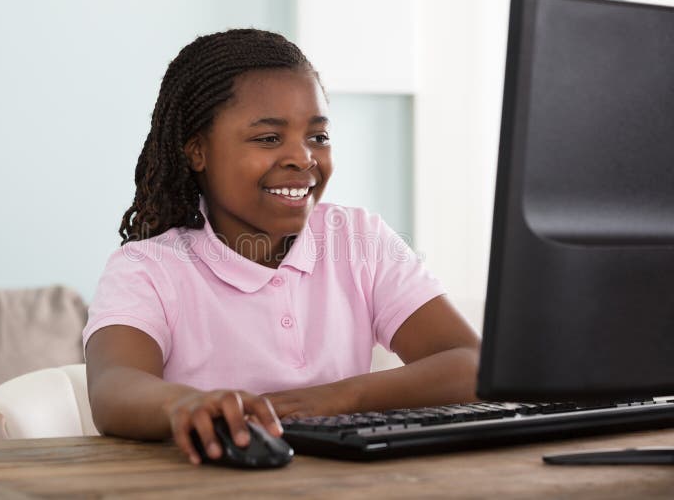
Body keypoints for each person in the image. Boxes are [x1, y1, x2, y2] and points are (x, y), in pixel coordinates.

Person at [84, 29, 481, 465]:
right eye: (268, 138)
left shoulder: (359, 239)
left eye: (318, 137)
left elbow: (471, 362)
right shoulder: (147, 268)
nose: (303, 157)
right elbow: (113, 385)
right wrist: (185, 404)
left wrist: (335, 400)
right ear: (198, 151)